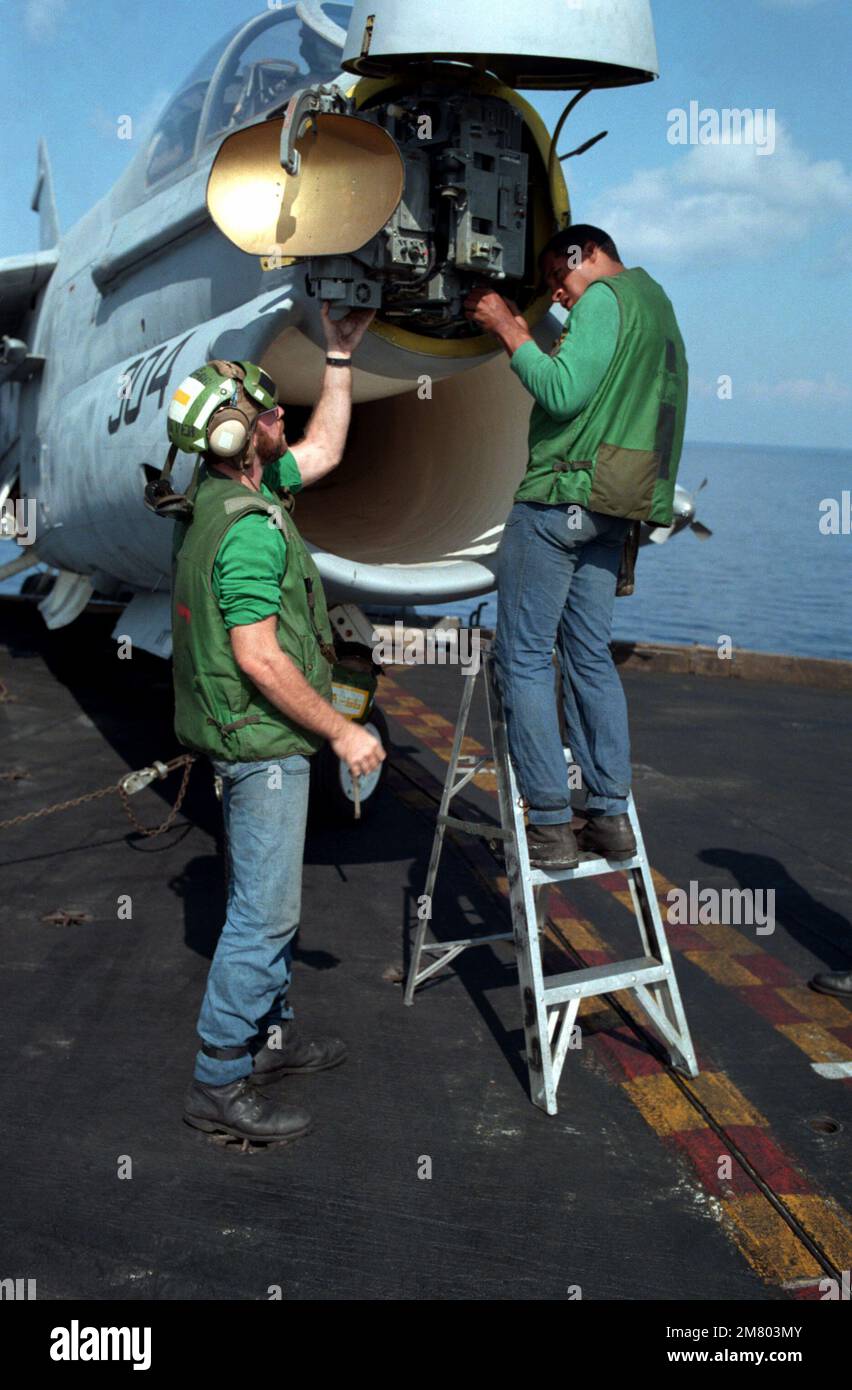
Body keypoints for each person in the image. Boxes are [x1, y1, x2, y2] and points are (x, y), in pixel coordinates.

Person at [167, 304, 385, 1144]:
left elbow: (325, 450)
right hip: (261, 751)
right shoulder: (250, 534)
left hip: (244, 744)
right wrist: (342, 730)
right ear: (235, 437)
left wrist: (339, 355)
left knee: (260, 905)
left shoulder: (229, 496)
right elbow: (260, 658)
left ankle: (270, 1042)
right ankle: (219, 1081)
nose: (280, 416)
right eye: (266, 412)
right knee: (263, 918)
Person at [464, 224, 688, 869]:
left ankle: (552, 826)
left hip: (561, 497)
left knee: (526, 657)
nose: (558, 297)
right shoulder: (658, 305)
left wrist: (509, 326)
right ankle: (611, 816)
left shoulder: (605, 299)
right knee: (589, 656)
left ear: (583, 254)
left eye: (558, 279)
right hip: (618, 507)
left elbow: (563, 391)